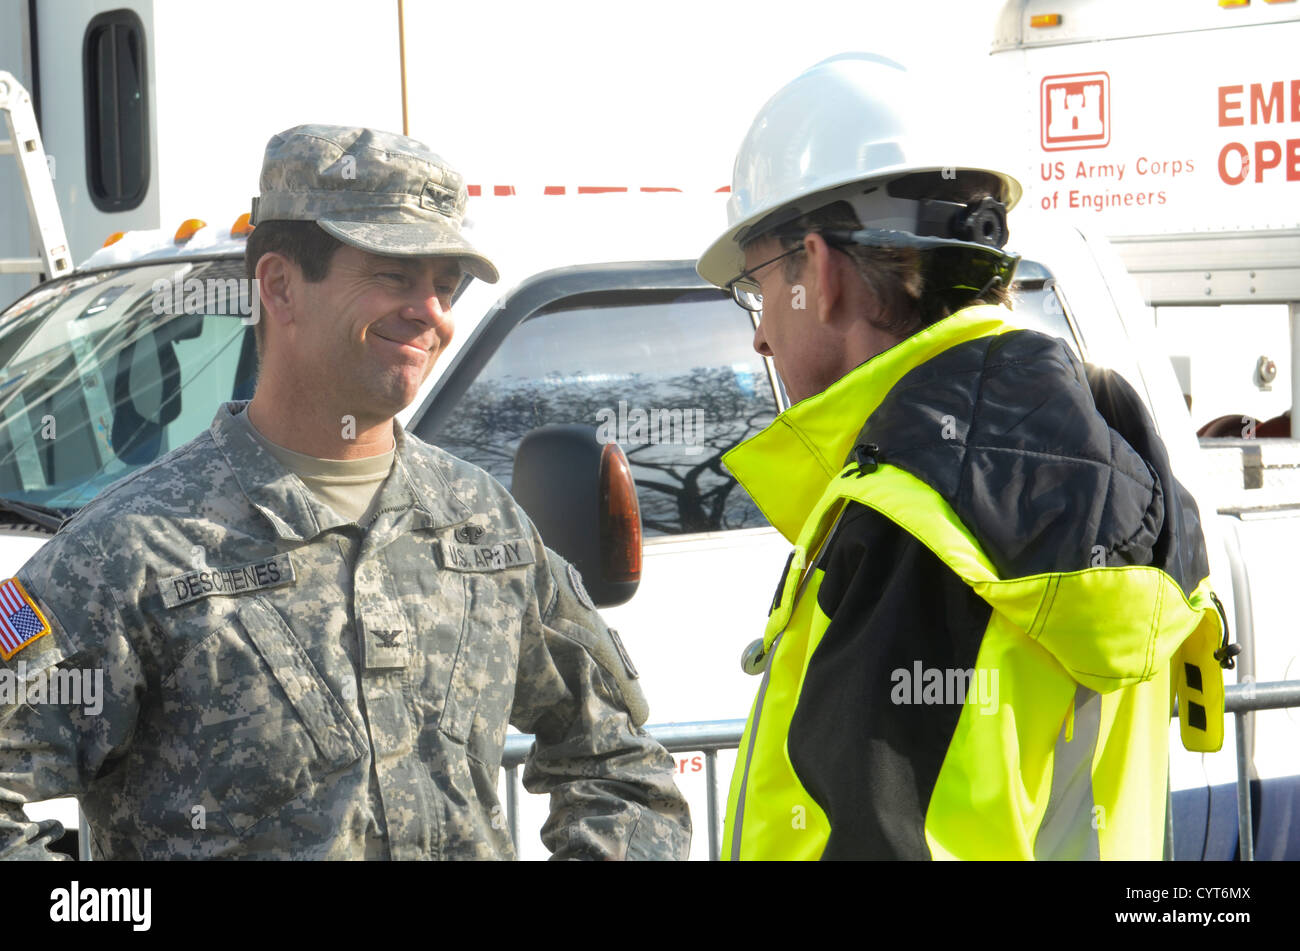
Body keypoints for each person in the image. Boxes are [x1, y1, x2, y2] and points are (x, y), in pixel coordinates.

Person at [0, 125, 690, 860]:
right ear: (279, 286)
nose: (432, 312)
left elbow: (620, 763)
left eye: (445, 286)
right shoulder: (127, 551)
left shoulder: (482, 526)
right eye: (395, 276)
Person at [696, 53, 1232, 860]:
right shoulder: (1106, 451)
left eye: (759, 285)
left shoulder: (915, 517)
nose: (761, 331)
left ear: (820, 268)